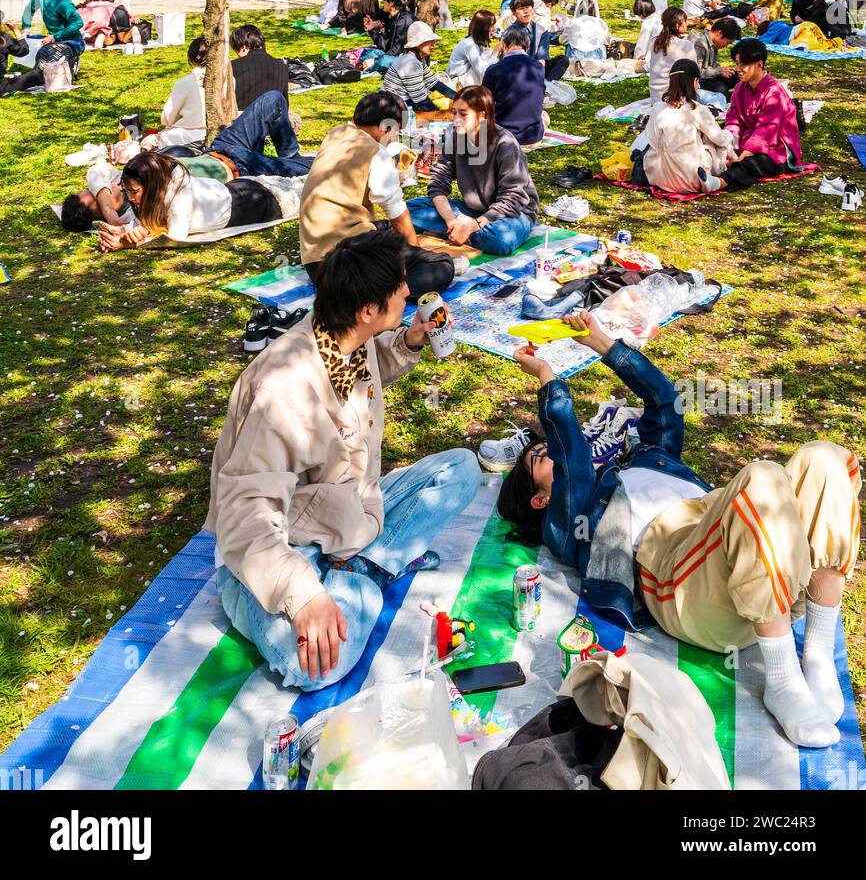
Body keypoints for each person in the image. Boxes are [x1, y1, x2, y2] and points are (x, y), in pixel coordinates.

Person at [496, 310, 859, 749]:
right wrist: (546, 376)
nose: (551, 453)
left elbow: (665, 400)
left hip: (755, 559)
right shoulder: (572, 516)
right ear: (540, 499)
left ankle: (815, 652)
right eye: (541, 457)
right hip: (679, 577)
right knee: (762, 479)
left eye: (545, 449)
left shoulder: (644, 457)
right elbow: (570, 456)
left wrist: (604, 344)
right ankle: (781, 678)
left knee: (825, 458)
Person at [206, 231, 481, 689]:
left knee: (460, 470)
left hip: (351, 511)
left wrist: (409, 340)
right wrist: (304, 597)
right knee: (314, 668)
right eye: (399, 287)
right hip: (290, 543)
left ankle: (357, 570)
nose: (409, 292)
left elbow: (366, 379)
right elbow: (244, 513)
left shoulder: (347, 334)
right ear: (368, 310)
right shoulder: (285, 391)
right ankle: (357, 575)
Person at [298, 90, 456, 300]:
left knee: (385, 229)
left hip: (314, 259)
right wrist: (416, 254)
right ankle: (379, 297)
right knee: (440, 265)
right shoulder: (376, 154)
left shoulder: (336, 134)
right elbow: (397, 213)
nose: (393, 140)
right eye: (395, 133)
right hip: (343, 264)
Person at [407, 85, 539, 256]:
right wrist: (451, 220)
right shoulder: (456, 137)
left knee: (500, 239)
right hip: (473, 210)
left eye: (463, 114)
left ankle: (459, 232)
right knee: (408, 210)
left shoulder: (505, 144)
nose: (456, 119)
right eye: (454, 112)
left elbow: (513, 198)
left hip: (512, 214)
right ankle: (457, 230)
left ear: (482, 116)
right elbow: (439, 181)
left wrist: (470, 226)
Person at [95, 149, 290, 248]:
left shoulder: (180, 199)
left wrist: (127, 243)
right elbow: (146, 223)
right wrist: (122, 230)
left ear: (152, 186)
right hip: (238, 188)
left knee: (306, 183)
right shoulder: (157, 192)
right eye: (127, 191)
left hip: (262, 200)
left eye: (134, 192)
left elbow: (174, 237)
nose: (131, 198)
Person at [698, 38, 802, 193]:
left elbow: (766, 132)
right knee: (712, 134)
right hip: (747, 140)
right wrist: (730, 146)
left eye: (743, 64)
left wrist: (743, 155)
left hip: (776, 149)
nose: (738, 69)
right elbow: (733, 120)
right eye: (737, 63)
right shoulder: (740, 88)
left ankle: (720, 182)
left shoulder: (774, 93)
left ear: (759, 65)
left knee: (751, 163)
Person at [644, 60, 735, 194]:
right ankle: (716, 178)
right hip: (688, 178)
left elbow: (651, 137)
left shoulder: (658, 107)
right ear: (694, 81)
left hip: (656, 176)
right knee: (717, 140)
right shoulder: (697, 109)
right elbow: (720, 139)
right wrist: (729, 135)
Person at [0, 0, 84, 96]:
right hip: (52, 39)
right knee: (27, 41)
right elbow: (29, 10)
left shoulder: (62, 0)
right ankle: (41, 70)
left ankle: (69, 64)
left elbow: (77, 23)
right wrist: (26, 29)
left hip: (71, 42)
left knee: (49, 52)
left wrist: (55, 36)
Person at [481, 26, 547, 147]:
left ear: (504, 46)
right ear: (526, 48)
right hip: (533, 137)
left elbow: (484, 103)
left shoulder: (495, 69)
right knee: (545, 116)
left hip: (502, 137)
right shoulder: (539, 68)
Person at [383, 21, 456, 111]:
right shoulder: (410, 63)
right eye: (428, 41)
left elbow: (433, 83)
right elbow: (421, 100)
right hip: (394, 107)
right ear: (418, 44)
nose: (433, 44)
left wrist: (457, 96)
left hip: (402, 103)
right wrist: (438, 115)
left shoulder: (418, 59)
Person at [505, 0, 570, 80]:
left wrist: (538, 77)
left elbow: (541, 58)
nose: (526, 11)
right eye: (521, 9)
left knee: (563, 60)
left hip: (536, 68)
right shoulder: (510, 32)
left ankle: (548, 84)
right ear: (513, 13)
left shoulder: (541, 30)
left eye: (528, 7)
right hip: (517, 70)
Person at [158, 35, 207, 146]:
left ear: (191, 58)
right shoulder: (228, 80)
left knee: (162, 138)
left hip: (187, 136)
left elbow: (167, 116)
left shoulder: (184, 83)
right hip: (222, 133)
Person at [230, 24, 290, 109]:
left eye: (237, 52)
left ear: (243, 48)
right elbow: (285, 105)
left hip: (242, 120)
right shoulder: (282, 67)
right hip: (273, 120)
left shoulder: (233, 66)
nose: (238, 56)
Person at [646, 6, 697, 103]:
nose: (687, 24)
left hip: (655, 95)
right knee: (718, 96)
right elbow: (694, 72)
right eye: (685, 22)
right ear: (677, 25)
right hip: (676, 97)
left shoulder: (655, 42)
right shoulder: (685, 45)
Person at [689, 16, 741, 99]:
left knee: (736, 76)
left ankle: (738, 96)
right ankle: (733, 100)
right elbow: (697, 73)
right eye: (727, 43)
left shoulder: (713, 44)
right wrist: (720, 71)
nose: (726, 46)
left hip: (708, 77)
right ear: (719, 33)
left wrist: (723, 70)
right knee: (721, 89)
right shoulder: (700, 44)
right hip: (697, 82)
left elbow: (712, 65)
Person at [447, 9, 497, 86]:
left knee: (488, 53)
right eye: (491, 26)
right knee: (489, 54)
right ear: (482, 28)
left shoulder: (473, 40)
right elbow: (483, 73)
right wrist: (495, 53)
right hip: (457, 81)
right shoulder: (470, 45)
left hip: (464, 76)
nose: (493, 29)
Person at [364, 0, 413, 67]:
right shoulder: (393, 18)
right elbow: (385, 47)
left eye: (384, 0)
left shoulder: (404, 21)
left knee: (382, 61)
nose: (383, 3)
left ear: (392, 3)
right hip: (396, 55)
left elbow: (397, 50)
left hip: (408, 60)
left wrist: (375, 61)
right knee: (367, 52)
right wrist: (372, 28)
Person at [632, 0, 662, 71]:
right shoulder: (660, 18)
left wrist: (635, 59)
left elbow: (641, 45)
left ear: (642, 13)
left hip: (651, 58)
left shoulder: (647, 24)